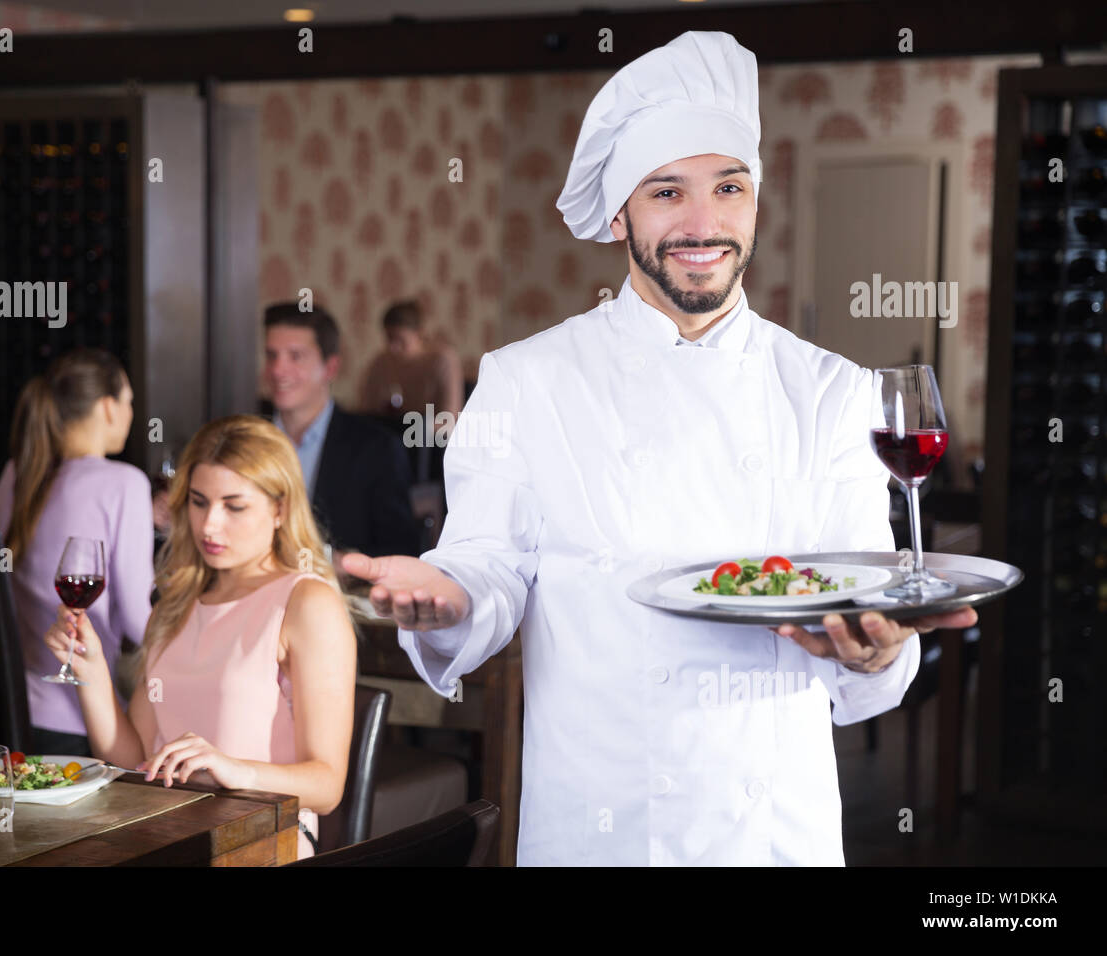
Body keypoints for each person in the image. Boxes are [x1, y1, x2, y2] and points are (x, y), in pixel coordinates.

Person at [342, 30, 978, 865]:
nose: (704, 222)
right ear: (619, 214)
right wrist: (450, 596)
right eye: (667, 191)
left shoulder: (831, 390)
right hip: (600, 817)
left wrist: (878, 649)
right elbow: (487, 565)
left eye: (729, 187)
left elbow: (862, 594)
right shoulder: (527, 380)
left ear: (757, 201)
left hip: (772, 825)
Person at [42, 415, 356, 860]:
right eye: (198, 501)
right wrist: (90, 669)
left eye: (234, 506)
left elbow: (327, 787)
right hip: (169, 837)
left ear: (280, 508)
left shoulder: (306, 603)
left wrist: (230, 769)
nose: (209, 525)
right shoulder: (175, 603)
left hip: (261, 844)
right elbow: (132, 760)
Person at [0, 348, 154, 757]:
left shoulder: (20, 472)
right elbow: (137, 622)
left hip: (12, 713)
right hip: (86, 725)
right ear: (109, 407)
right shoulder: (124, 482)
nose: (131, 413)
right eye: (129, 402)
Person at [262, 302, 421, 565]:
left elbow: (403, 551)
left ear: (331, 368)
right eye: (271, 355)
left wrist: (340, 562)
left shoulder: (377, 448)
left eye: (295, 356)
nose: (278, 370)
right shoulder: (247, 441)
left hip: (340, 599)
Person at [357, 300, 465, 423]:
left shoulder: (442, 361)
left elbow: (448, 420)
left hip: (429, 439)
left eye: (401, 340)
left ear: (419, 333)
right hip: (389, 437)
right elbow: (366, 412)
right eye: (389, 339)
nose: (393, 347)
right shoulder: (380, 363)